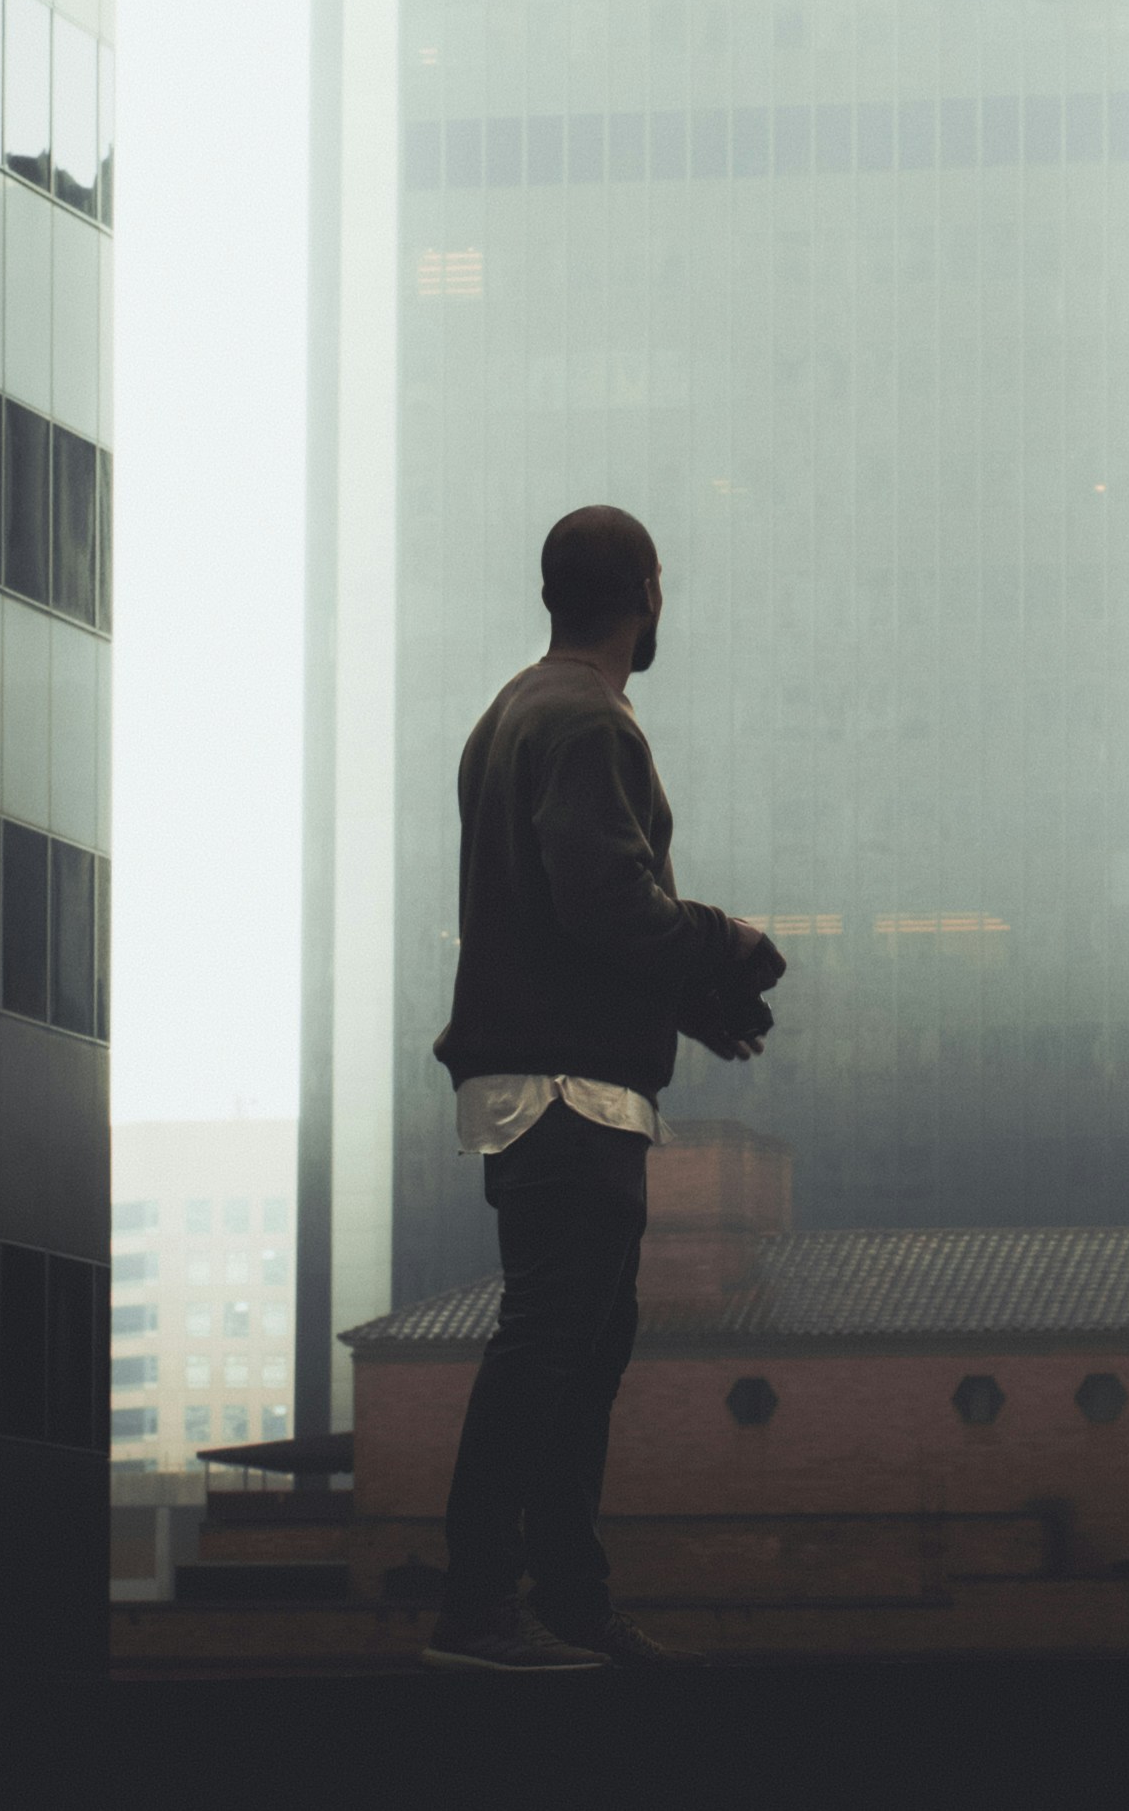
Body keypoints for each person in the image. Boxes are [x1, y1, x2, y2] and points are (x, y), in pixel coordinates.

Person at [420, 504, 785, 1672]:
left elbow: (561, 921)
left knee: (579, 1347)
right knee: (551, 1346)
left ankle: (568, 1603)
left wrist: (690, 1006)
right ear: (649, 594)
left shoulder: (514, 716)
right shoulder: (589, 725)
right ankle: (484, 1608)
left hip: (549, 1077)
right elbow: (604, 903)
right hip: (570, 1095)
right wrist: (729, 944)